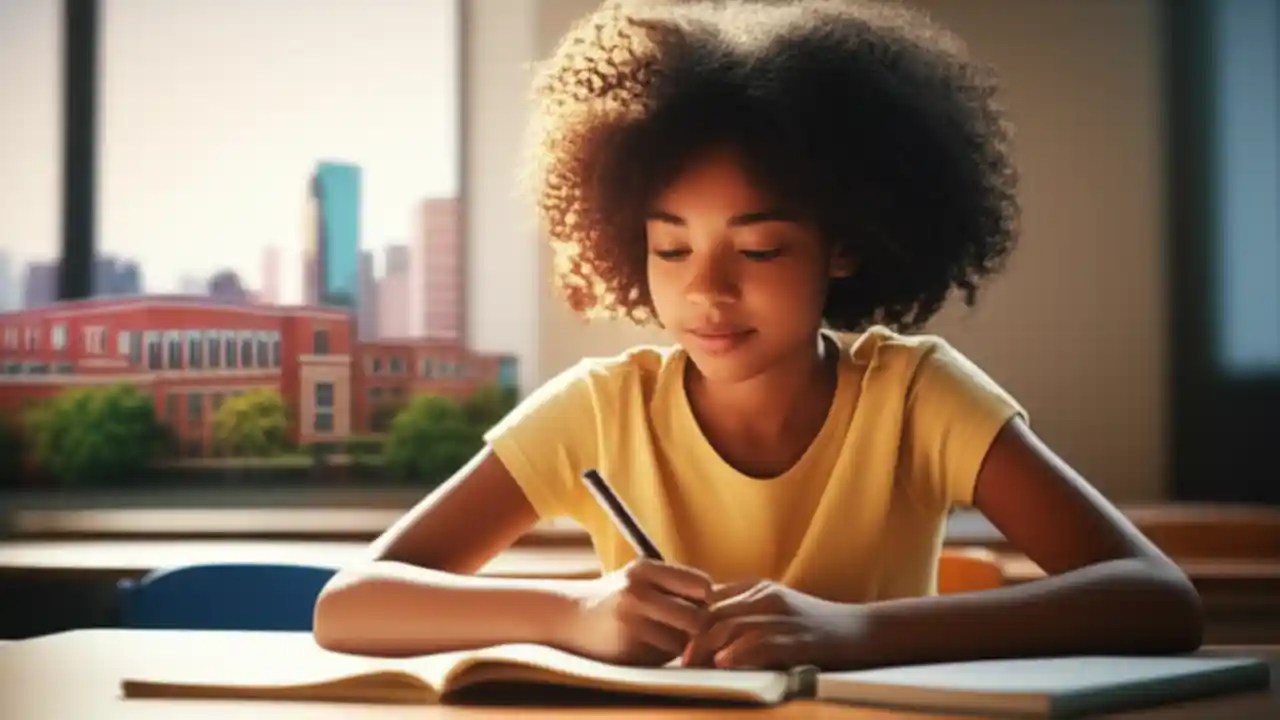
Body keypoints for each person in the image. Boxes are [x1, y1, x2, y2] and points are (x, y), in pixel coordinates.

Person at [313, 0, 1202, 670]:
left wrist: (853, 629)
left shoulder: (915, 396)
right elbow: (349, 605)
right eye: (670, 247)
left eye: (761, 247)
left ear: (846, 243)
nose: (707, 288)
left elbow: (1159, 602)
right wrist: (572, 612)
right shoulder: (599, 412)